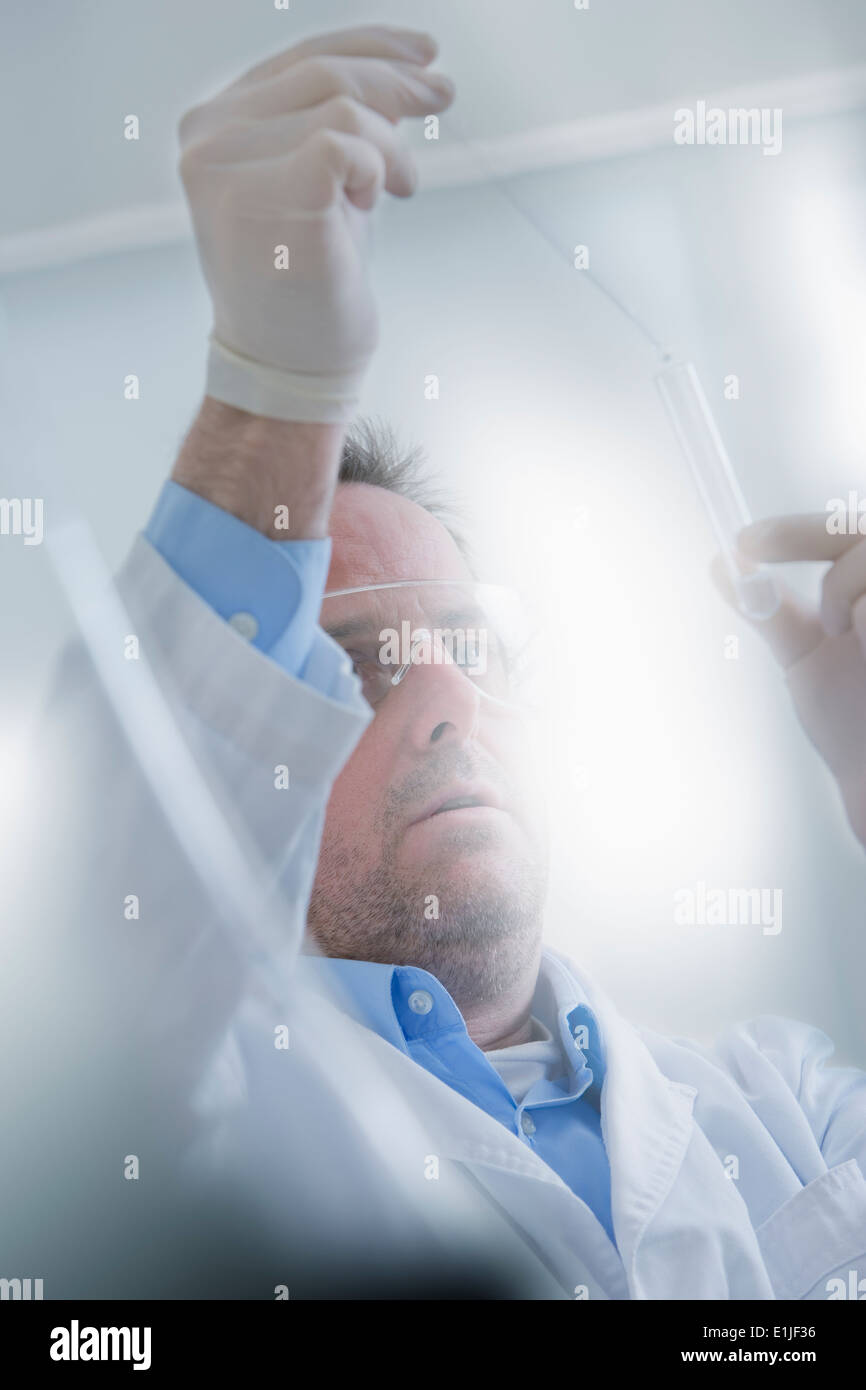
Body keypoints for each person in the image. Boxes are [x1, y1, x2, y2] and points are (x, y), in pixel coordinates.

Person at [6, 23, 866, 1301]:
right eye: (353, 661)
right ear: (249, 764)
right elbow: (91, 934)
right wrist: (272, 391)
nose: (449, 699)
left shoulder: (783, 1099)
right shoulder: (176, 1136)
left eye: (468, 648)